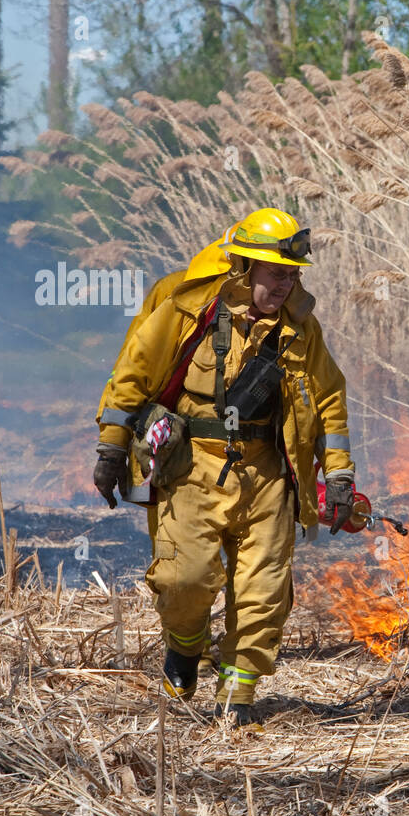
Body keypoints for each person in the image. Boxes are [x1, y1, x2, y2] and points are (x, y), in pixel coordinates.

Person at [92, 208, 357, 729]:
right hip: (192, 468)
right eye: (278, 272)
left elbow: (329, 403)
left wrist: (340, 475)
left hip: (269, 474)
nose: (288, 283)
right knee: (185, 579)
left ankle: (238, 700)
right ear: (245, 268)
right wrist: (112, 450)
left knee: (263, 593)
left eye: (294, 273)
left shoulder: (301, 331)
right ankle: (185, 648)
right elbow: (133, 375)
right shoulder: (190, 310)